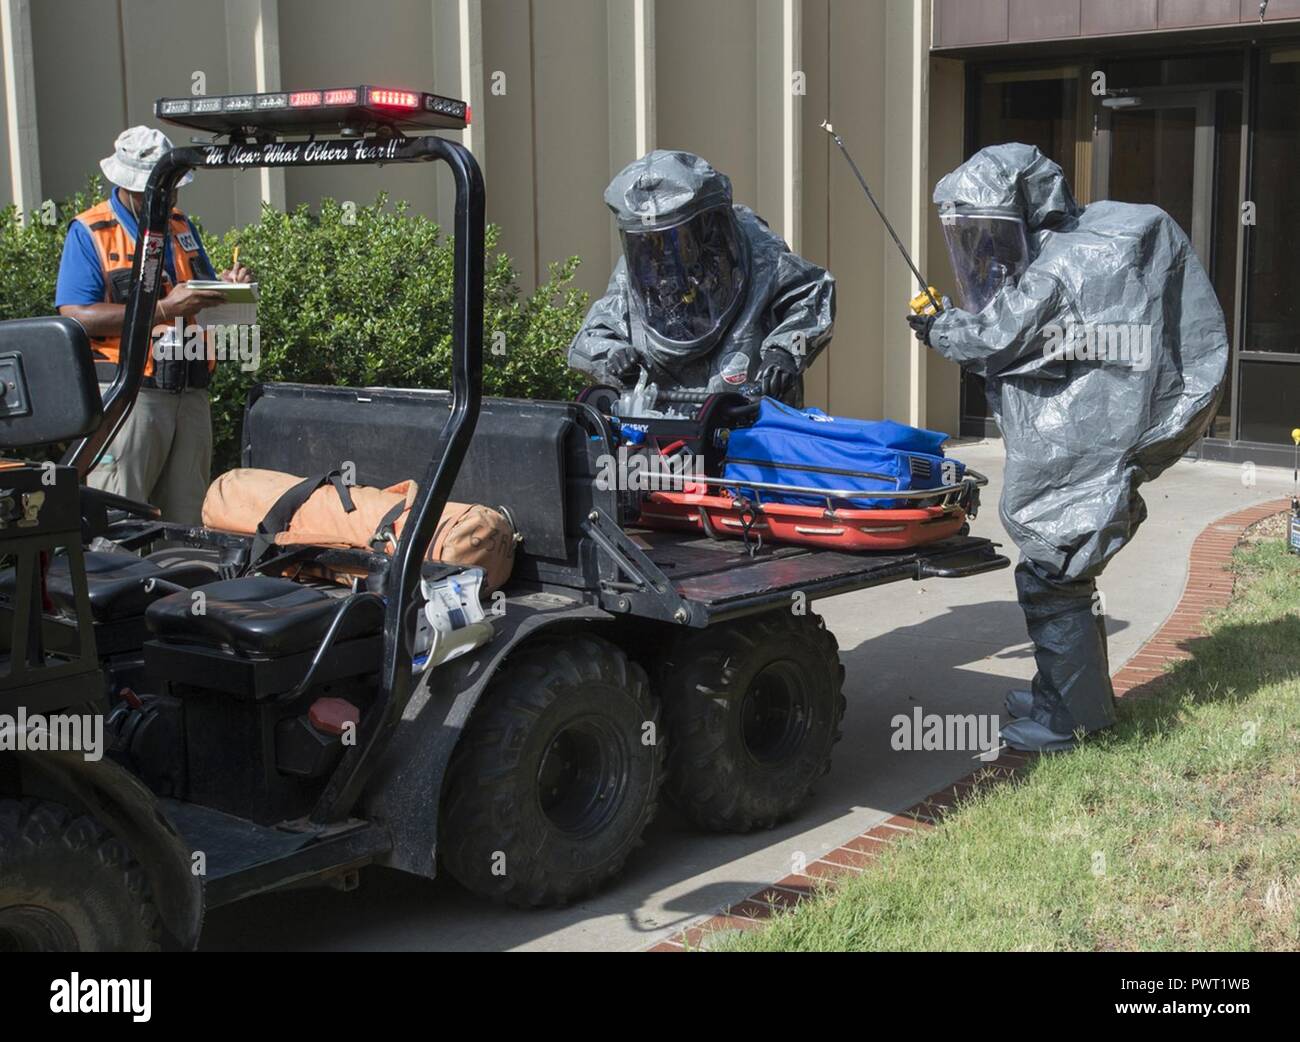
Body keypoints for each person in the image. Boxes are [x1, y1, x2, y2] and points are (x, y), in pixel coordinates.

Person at [908, 143, 1227, 752]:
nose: (984, 247)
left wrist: (937, 326)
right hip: (1106, 432)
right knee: (1065, 574)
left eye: (990, 230)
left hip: (1079, 445)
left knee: (1053, 575)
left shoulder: (1057, 269)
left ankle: (1071, 721)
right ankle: (1066, 692)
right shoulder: (1100, 233)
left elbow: (995, 340)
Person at [56, 126, 252, 523]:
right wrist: (163, 310)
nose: (169, 197)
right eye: (159, 189)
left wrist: (226, 289)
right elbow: (75, 316)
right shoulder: (92, 232)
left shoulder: (181, 225)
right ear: (127, 187)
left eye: (173, 188)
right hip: (129, 397)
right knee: (117, 520)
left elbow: (198, 294)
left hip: (190, 390)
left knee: (187, 524)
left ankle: (183, 586)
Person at [569, 150, 834, 413]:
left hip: (750, 423)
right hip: (665, 430)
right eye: (652, 242)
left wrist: (785, 352)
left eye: (678, 238)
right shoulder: (636, 270)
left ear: (710, 227)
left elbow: (814, 295)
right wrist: (613, 356)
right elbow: (590, 339)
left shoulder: (761, 252)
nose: (665, 254)